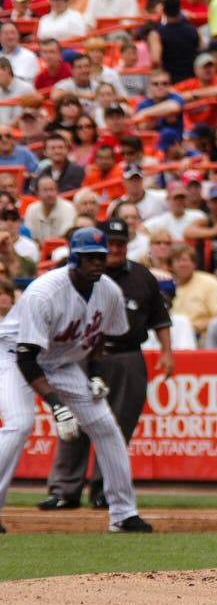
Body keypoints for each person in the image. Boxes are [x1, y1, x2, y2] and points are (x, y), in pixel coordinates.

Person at [0, 227, 153, 533]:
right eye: (89, 258)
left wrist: (94, 375)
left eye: (100, 256)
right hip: (14, 354)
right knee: (20, 424)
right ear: (74, 259)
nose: (97, 263)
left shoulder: (108, 290)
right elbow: (27, 357)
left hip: (62, 359)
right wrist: (57, 405)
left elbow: (98, 338)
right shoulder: (45, 293)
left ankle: (123, 513)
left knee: (106, 426)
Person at [37, 218, 173, 510]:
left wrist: (167, 351)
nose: (114, 248)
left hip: (127, 354)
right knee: (73, 422)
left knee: (117, 427)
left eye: (120, 243)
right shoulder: (75, 275)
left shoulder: (141, 275)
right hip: (81, 356)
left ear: (128, 243)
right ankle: (64, 489)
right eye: (109, 243)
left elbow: (160, 318)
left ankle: (103, 490)